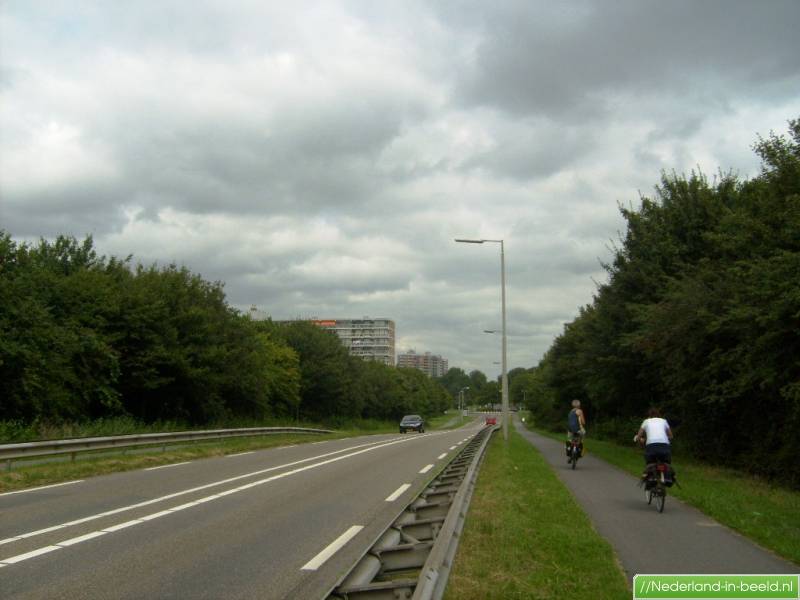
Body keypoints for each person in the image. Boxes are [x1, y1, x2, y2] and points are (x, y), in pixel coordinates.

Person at [633, 407, 673, 477]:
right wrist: (665, 440)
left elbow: (639, 436)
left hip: (651, 446)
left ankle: (646, 475)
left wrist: (639, 440)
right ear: (658, 414)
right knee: (666, 462)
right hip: (664, 446)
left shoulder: (646, 421)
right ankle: (670, 476)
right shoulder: (664, 421)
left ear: (649, 415)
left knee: (650, 462)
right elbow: (671, 436)